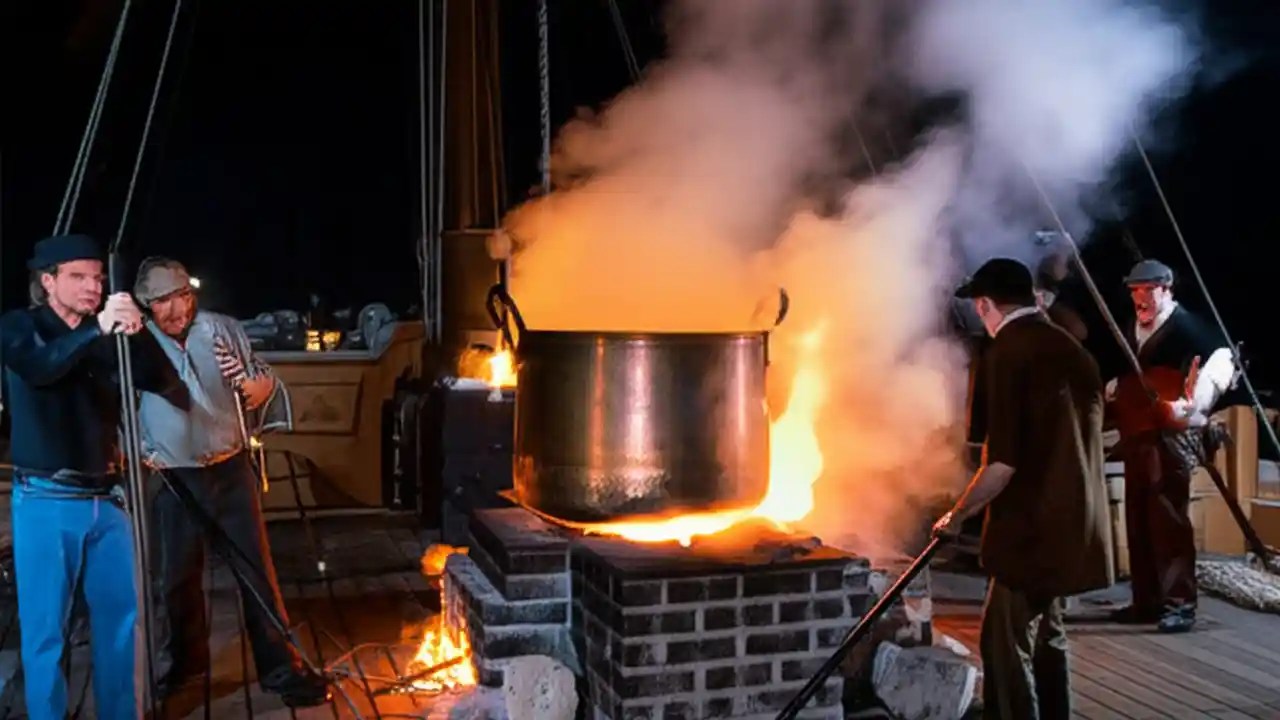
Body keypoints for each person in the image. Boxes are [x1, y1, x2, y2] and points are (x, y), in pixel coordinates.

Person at [0, 234, 184, 720]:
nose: (92, 286)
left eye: (97, 277)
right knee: (46, 635)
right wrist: (95, 330)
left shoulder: (104, 336)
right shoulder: (21, 326)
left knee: (122, 623)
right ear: (48, 281)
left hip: (109, 499)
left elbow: (165, 381)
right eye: (78, 277)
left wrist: (138, 329)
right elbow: (41, 369)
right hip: (45, 500)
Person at [131, 256, 328, 705]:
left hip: (229, 464)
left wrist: (262, 387)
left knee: (256, 571)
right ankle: (185, 664)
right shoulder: (136, 343)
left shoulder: (220, 330)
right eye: (164, 301)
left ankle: (280, 667)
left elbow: (259, 376)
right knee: (176, 577)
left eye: (184, 295)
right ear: (145, 305)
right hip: (172, 473)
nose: (179, 309)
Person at [934, 257, 1113, 720]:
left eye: (980, 310)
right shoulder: (1070, 348)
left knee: (1003, 642)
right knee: (1049, 635)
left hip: (1031, 529)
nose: (981, 318)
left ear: (986, 304)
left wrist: (956, 516)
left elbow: (1003, 464)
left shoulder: (1008, 353)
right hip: (1079, 524)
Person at [1105, 259, 1235, 633]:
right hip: (1137, 434)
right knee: (1139, 518)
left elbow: (1221, 362)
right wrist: (1119, 387)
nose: (1140, 299)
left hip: (1170, 435)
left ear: (1166, 290)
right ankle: (1146, 600)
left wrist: (1194, 404)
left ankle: (1179, 603)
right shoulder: (1134, 327)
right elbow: (1135, 370)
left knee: (1169, 520)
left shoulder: (1188, 328)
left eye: (1147, 291)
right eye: (1134, 292)